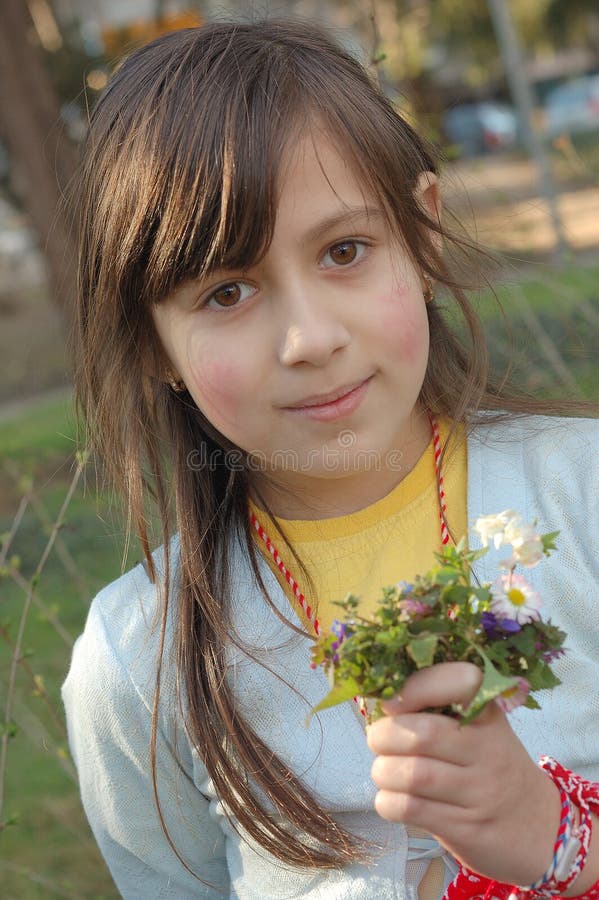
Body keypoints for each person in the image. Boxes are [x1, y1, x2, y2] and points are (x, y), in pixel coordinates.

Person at [62, 19, 599, 900]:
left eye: (344, 251)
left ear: (420, 235)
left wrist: (554, 837)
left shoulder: (578, 498)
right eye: (225, 292)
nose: (309, 338)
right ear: (151, 344)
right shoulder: (137, 667)